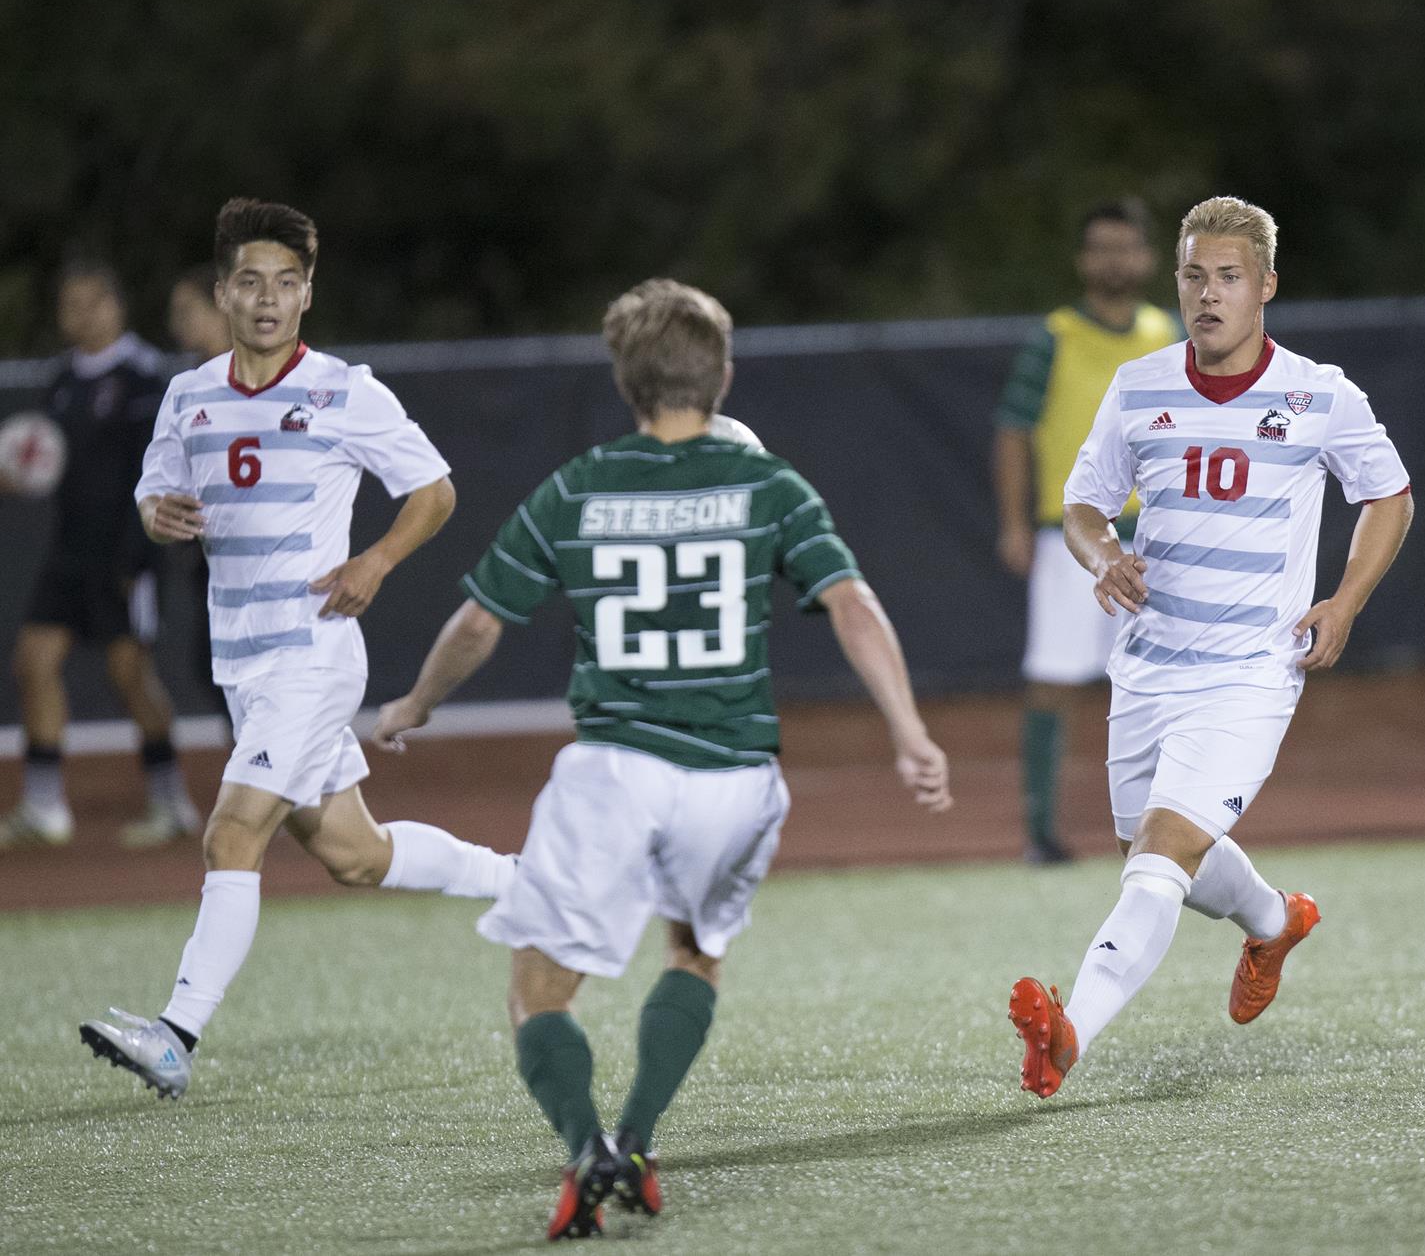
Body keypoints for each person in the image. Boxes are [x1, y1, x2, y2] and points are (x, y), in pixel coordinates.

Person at [370, 278, 953, 1241]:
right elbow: (853, 605)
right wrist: (908, 729)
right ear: (720, 375)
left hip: (616, 771)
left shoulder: (580, 485)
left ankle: (585, 1146)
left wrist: (415, 704)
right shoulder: (771, 485)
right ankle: (636, 1142)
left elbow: (478, 623)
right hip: (736, 780)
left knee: (539, 990)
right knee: (694, 954)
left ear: (624, 380)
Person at [77, 198, 516, 1100]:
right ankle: (529, 882)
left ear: (308, 294)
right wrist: (156, 517)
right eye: (250, 282)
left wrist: (378, 560)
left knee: (232, 833)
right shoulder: (187, 395)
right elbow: (157, 498)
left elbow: (434, 490)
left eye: (286, 283)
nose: (268, 299)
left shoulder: (345, 391)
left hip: (312, 657)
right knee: (355, 854)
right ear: (223, 292)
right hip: (242, 662)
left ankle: (176, 1037)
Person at [1008, 196, 1414, 1098]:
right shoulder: (1140, 385)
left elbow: (1389, 495)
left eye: (1228, 276)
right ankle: (1274, 920)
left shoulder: (1320, 393)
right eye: (1194, 275)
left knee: (1159, 853)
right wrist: (1105, 554)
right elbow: (1082, 505)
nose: (1208, 294)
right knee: (1152, 852)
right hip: (1149, 664)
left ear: (1266, 285)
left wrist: (1344, 601)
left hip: (1250, 674)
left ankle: (1069, 1034)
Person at [994, 200, 1181, 863]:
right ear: (1081, 260)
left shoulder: (1168, 332)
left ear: (1148, 258)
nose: (1114, 260)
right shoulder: (1055, 337)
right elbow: (1014, 429)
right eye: (1101, 247)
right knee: (1053, 677)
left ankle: (1170, 827)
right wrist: (1014, 521)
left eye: (1125, 247)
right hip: (1070, 534)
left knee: (1168, 680)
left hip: (1159, 535)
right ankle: (1040, 832)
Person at [0, 259, 202, 851]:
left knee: (129, 676)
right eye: (69, 303)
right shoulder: (61, 380)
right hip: (68, 554)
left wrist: (139, 554)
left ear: (116, 306)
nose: (79, 314)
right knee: (32, 663)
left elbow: (161, 470)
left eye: (91, 301)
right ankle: (42, 807)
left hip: (126, 556)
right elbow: (50, 460)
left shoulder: (147, 378)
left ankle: (171, 803)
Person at [164, 265, 235, 734]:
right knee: (212, 665)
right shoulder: (186, 388)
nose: (177, 324)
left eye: (188, 310)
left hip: (270, 564)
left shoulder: (268, 379)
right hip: (212, 561)